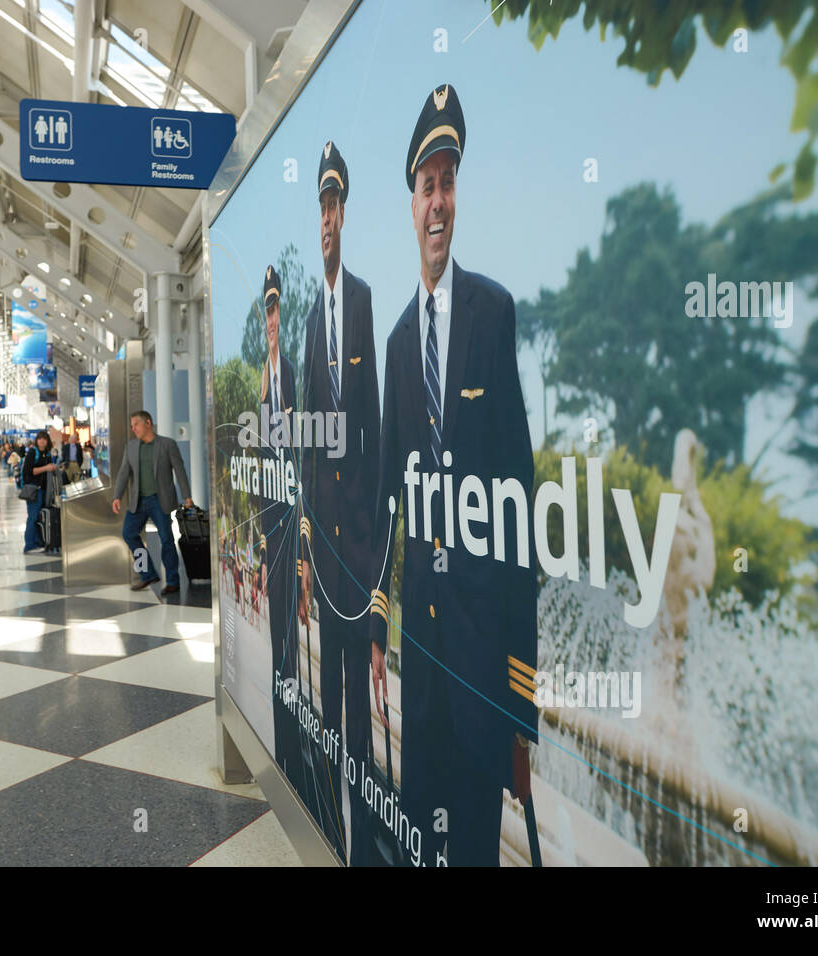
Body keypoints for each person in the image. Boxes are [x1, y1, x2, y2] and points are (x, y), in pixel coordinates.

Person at [368, 84, 537, 866]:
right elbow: (386, 507)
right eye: (427, 185)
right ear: (411, 204)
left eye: (450, 182)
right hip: (423, 682)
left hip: (479, 688)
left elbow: (519, 513)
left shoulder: (492, 314)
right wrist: (376, 633)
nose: (439, 201)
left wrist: (522, 712)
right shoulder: (399, 345)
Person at [297, 140, 381, 865]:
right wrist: (300, 539)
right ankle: (328, 808)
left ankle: (363, 813)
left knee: (356, 679)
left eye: (335, 206)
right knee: (329, 679)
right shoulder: (303, 321)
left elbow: (373, 427)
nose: (327, 219)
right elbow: (300, 434)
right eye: (319, 207)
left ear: (345, 216)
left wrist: (379, 555)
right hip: (320, 538)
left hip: (358, 537)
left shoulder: (360, 300)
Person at [253, 264, 303, 792]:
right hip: (272, 528)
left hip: (290, 528)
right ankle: (284, 735)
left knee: (287, 637)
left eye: (276, 310)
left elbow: (295, 458)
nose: (272, 319)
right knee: (277, 636)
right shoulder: (263, 378)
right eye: (267, 311)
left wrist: (302, 549)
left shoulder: (286, 371)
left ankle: (290, 744)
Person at [112, 410, 193, 594]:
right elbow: (124, 473)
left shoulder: (167, 444)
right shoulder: (131, 447)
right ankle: (147, 574)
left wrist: (187, 496)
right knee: (129, 534)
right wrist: (117, 496)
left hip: (160, 500)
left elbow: (179, 471)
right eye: (132, 426)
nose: (133, 429)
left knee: (167, 540)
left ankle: (173, 580)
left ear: (148, 423)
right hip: (138, 501)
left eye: (136, 425)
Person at [21, 431, 59, 554]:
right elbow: (29, 471)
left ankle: (38, 542)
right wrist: (46, 468)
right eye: (40, 439)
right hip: (34, 490)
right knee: (32, 517)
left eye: (44, 439)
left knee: (38, 516)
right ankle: (29, 545)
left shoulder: (46, 454)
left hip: (43, 490)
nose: (42, 441)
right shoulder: (33, 453)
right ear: (36, 440)